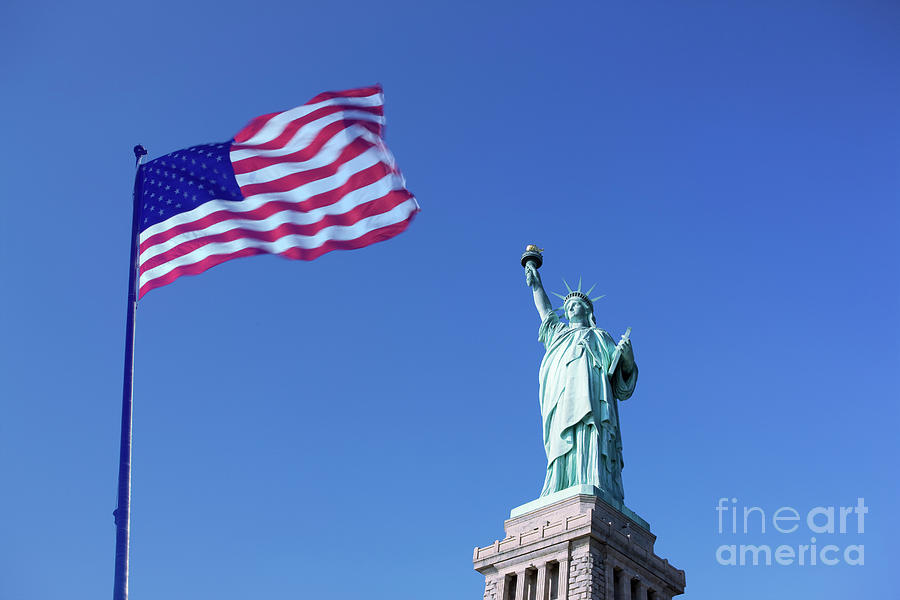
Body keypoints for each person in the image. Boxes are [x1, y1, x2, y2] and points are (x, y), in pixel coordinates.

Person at [524, 261, 637, 500]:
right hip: (563, 397)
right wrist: (536, 284)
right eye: (568, 306)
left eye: (576, 304)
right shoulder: (559, 334)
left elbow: (619, 379)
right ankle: (560, 482)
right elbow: (545, 311)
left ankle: (592, 477)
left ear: (587, 311)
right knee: (562, 437)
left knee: (590, 430)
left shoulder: (600, 336)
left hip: (594, 400)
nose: (572, 308)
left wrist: (627, 357)